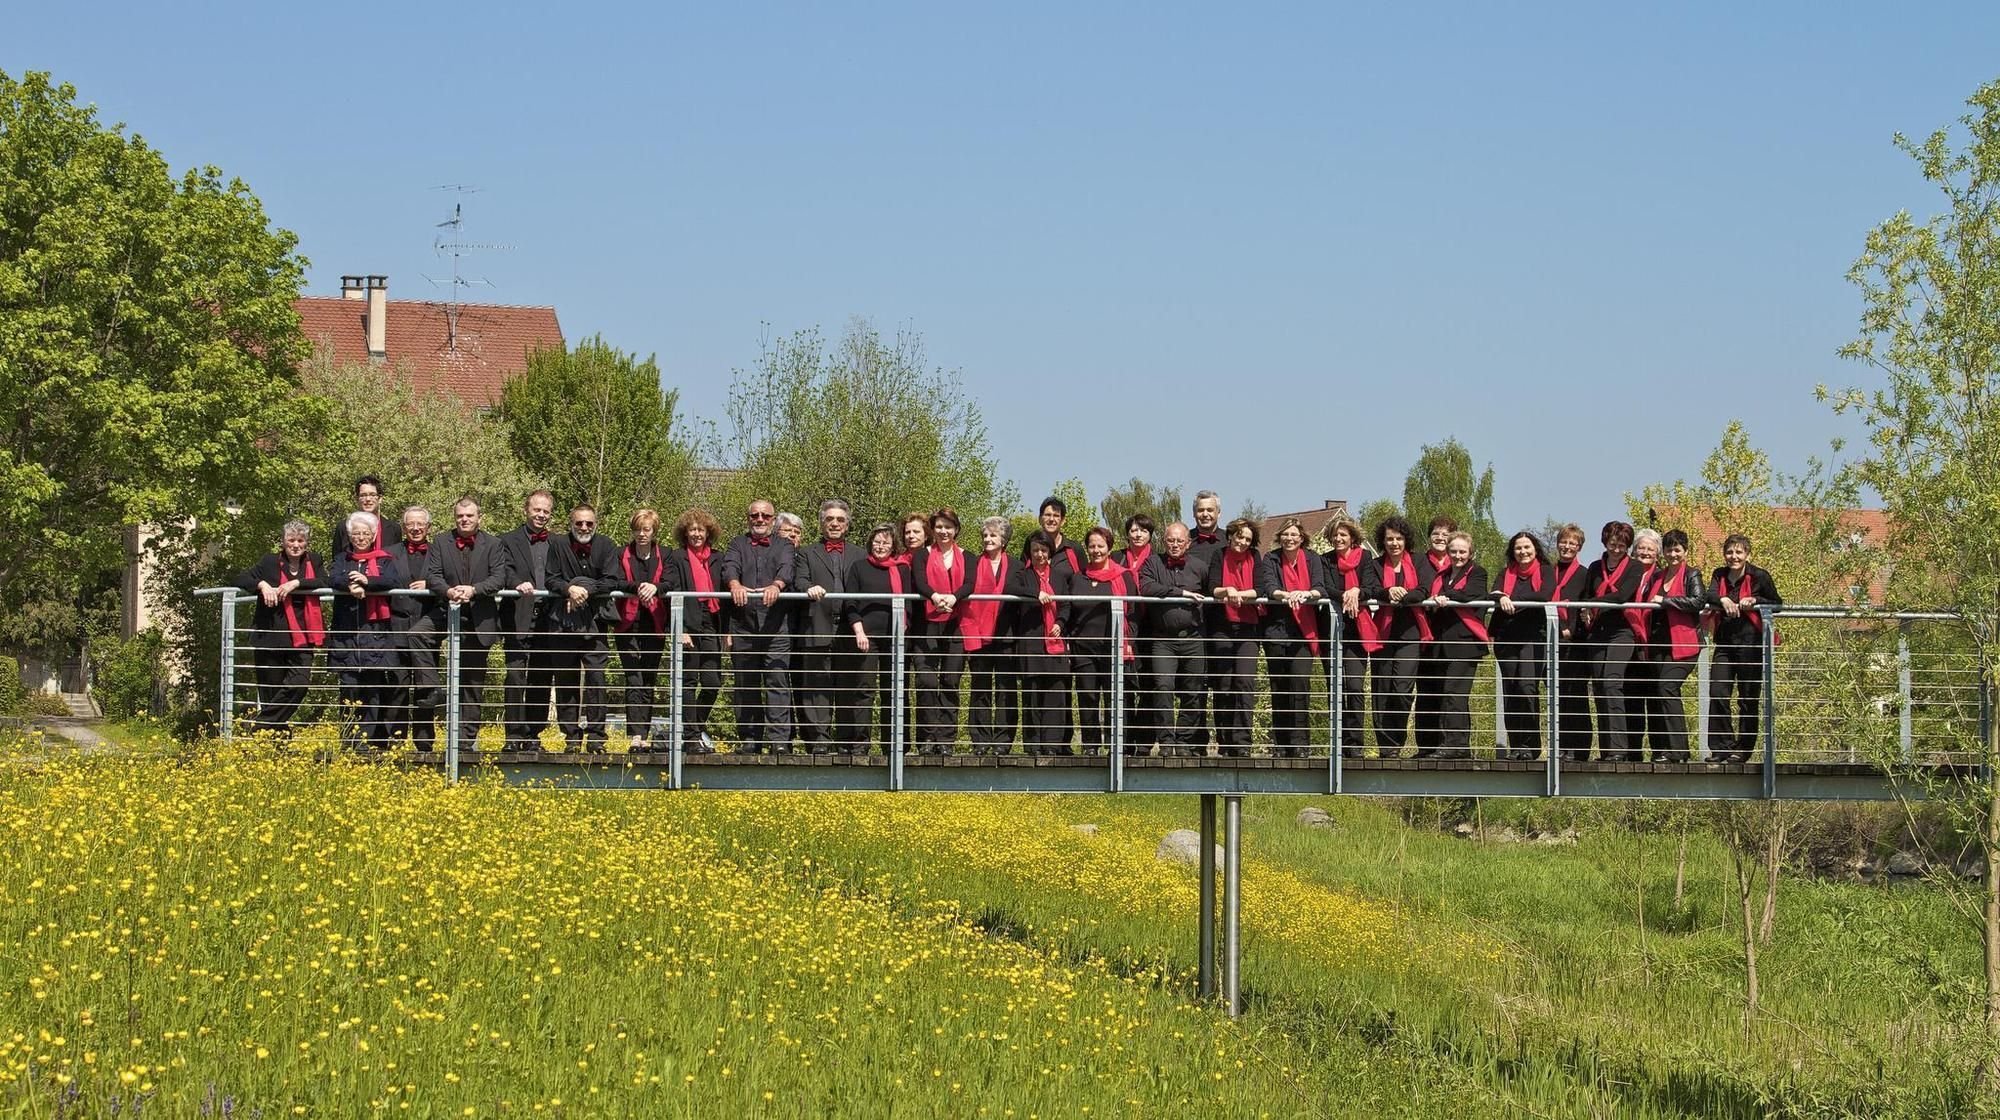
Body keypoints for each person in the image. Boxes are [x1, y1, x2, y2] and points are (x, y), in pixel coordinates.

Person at [424, 498, 509, 753]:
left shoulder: (493, 544)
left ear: (479, 517)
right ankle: (433, 692)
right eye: (460, 515)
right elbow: (432, 575)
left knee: (472, 683)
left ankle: (464, 741)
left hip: (478, 619)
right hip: (445, 613)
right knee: (419, 637)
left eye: (469, 515)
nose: (464, 519)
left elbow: (499, 578)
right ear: (455, 517)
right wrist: (449, 591)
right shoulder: (440, 542)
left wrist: (473, 590)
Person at [235, 520, 328, 731]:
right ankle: (276, 743)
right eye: (291, 540)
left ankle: (260, 726)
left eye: (300, 541)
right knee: (272, 692)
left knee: (299, 684)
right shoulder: (269, 562)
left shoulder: (314, 560)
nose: (295, 545)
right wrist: (262, 584)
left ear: (307, 543)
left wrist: (297, 583)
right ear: (283, 542)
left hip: (304, 636)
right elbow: (240, 577)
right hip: (270, 634)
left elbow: (325, 581)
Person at [720, 499, 797, 753]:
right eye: (755, 515)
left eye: (765, 515)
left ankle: (779, 742)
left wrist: (777, 585)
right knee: (745, 683)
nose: (760, 519)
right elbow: (729, 566)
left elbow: (788, 568)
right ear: (748, 518)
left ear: (773, 520)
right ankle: (750, 739)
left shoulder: (784, 544)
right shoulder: (737, 543)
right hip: (743, 624)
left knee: (777, 682)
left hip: (776, 626)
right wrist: (734, 585)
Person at [543, 504, 620, 749]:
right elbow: (551, 578)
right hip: (562, 624)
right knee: (566, 681)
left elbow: (610, 580)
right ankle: (571, 737)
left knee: (597, 679)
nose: (584, 527)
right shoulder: (557, 545)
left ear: (595, 524)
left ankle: (597, 736)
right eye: (579, 523)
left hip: (594, 623)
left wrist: (583, 589)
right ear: (571, 523)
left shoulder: (607, 546)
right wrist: (568, 589)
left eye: (589, 523)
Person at [329, 511, 408, 749]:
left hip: (375, 634)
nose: (361, 538)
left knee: (372, 689)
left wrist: (365, 581)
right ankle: (347, 740)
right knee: (349, 687)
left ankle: (366, 739)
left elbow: (391, 581)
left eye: (365, 533)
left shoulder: (384, 559)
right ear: (350, 536)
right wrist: (350, 585)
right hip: (347, 635)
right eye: (356, 534)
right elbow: (333, 578)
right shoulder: (343, 558)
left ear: (374, 535)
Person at [1637, 528, 1713, 762]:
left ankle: (1680, 750)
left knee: (1667, 687)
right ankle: (1664, 750)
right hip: (1659, 644)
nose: (1672, 553)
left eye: (1677, 549)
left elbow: (1699, 600)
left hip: (1684, 643)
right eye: (1669, 549)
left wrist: (1666, 601)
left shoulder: (1692, 574)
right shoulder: (1657, 577)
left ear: (1685, 551)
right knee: (1660, 692)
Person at [1256, 517, 1327, 758]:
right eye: (1286, 534)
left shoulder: (1312, 558)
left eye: (1294, 535)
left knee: (1299, 686)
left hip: (1303, 632)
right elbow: (1269, 586)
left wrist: (1305, 593)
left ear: (1302, 537)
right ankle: (1280, 742)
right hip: (1277, 630)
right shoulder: (1271, 558)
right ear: (1280, 537)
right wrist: (1284, 595)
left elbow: (1321, 587)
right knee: (1279, 688)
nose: (1290, 538)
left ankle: (1300, 743)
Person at [1710, 533, 1782, 764]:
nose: (1734, 556)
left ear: (1747, 554)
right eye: (1730, 552)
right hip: (1724, 643)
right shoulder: (1719, 574)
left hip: (1750, 644)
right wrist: (1723, 600)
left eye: (1739, 552)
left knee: (1748, 698)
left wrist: (1755, 601)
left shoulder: (1759, 576)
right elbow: (1708, 594)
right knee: (1718, 692)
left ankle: (1742, 749)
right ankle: (1722, 746)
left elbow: (1778, 603)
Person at [1140, 522, 1211, 756]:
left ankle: (1184, 740)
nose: (1175, 545)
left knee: (1193, 691)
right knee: (1163, 688)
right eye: (1171, 540)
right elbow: (1147, 587)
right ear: (1164, 541)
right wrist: (1181, 593)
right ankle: (1166, 742)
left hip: (1193, 638)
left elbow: (1213, 593)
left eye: (1180, 540)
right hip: (1163, 640)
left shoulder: (1200, 567)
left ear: (1188, 543)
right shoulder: (1152, 563)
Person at [1360, 516, 1429, 754]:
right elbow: (1369, 589)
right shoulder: (1375, 565)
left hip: (1410, 634)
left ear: (1406, 540)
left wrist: (1403, 595)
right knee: (1381, 690)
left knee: (1401, 690)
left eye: (1399, 538)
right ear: (1383, 541)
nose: (1394, 543)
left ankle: (1397, 738)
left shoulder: (1419, 562)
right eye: (1389, 539)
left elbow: (1424, 590)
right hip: (1383, 633)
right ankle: (1386, 748)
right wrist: (1388, 591)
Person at [797, 499, 860, 754]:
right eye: (829, 519)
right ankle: (820, 741)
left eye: (840, 520)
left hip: (849, 626)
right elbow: (799, 580)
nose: (834, 524)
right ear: (821, 523)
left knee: (847, 685)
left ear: (847, 525)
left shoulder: (860, 553)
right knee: (816, 686)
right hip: (817, 623)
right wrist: (807, 587)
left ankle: (845, 740)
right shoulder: (807, 553)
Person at [1068, 526, 1139, 754]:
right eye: (1092, 546)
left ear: (1109, 547)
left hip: (1114, 646)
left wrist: (1130, 640)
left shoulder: (1123, 576)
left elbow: (1134, 613)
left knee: (1114, 696)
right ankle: (1090, 744)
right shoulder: (1077, 578)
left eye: (1100, 546)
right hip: (1083, 647)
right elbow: (1069, 609)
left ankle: (1116, 743)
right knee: (1087, 696)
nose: (1096, 550)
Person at [498, 490, 559, 751]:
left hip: (549, 619)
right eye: (537, 509)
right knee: (514, 675)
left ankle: (533, 735)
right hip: (517, 616)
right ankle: (513, 736)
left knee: (541, 678)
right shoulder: (507, 540)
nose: (541, 515)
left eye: (545, 511)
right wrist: (515, 583)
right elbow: (503, 569)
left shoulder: (558, 542)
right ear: (526, 509)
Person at [910, 507, 975, 755]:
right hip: (927, 623)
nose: (943, 531)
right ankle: (926, 738)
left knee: (950, 681)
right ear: (932, 530)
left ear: (956, 529)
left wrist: (953, 598)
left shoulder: (967, 556)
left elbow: (969, 583)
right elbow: (920, 581)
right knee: (926, 682)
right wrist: (936, 596)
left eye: (948, 527)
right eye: (939, 527)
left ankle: (946, 739)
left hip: (955, 624)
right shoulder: (922, 555)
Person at [608, 509, 674, 749]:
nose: (641, 534)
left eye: (646, 529)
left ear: (654, 531)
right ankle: (635, 734)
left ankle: (643, 734)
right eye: (638, 529)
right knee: (633, 676)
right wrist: (638, 586)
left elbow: (671, 581)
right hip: (627, 622)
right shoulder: (621, 553)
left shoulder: (665, 554)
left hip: (654, 623)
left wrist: (655, 587)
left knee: (648, 677)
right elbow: (615, 580)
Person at [1582, 521, 1647, 761]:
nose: (1617, 549)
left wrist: (1594, 603)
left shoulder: (1634, 567)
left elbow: (1623, 595)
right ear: (1605, 542)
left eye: (1621, 545)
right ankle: (1607, 749)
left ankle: (1620, 749)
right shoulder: (1595, 567)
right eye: (1613, 544)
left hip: (1623, 630)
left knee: (1612, 683)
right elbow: (1587, 595)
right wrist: (1587, 607)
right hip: (1598, 630)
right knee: (1599, 687)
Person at [1422, 531, 1489, 758]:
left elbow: (1471, 594)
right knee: (1445, 693)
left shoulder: (1477, 572)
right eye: (1454, 551)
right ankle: (1454, 744)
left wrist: (1446, 596)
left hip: (1465, 643)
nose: (1458, 555)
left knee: (1455, 693)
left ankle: (1454, 745)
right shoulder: (1443, 574)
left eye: (1462, 551)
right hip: (1443, 643)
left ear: (1470, 553)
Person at [845, 524, 910, 754]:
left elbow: (908, 605)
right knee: (865, 689)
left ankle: (893, 744)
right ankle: (861, 742)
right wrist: (859, 631)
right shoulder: (858, 567)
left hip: (895, 636)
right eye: (877, 542)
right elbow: (850, 602)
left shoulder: (902, 569)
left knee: (893, 690)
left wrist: (903, 633)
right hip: (867, 636)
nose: (880, 546)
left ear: (893, 547)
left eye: (886, 543)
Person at [1490, 531, 1553, 760]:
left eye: (1527, 547)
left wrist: (1511, 600)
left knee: (1527, 687)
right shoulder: (1505, 573)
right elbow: (1494, 592)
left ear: (1535, 549)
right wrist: (1501, 597)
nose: (1523, 552)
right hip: (1506, 637)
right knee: (1511, 690)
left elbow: (1544, 595)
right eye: (1518, 548)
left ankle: (1531, 745)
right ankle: (1516, 744)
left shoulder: (1546, 571)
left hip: (1532, 637)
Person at [961, 517, 1022, 753]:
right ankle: (980, 740)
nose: (988, 539)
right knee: (980, 688)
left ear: (1004, 540)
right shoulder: (974, 564)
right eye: (985, 536)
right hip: (978, 634)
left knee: (1006, 689)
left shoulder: (1016, 566)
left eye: (993, 536)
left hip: (1006, 635)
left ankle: (1003, 741)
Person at [670, 508, 729, 753]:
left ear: (708, 533)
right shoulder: (677, 557)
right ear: (685, 533)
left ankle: (694, 726)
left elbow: (726, 596)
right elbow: (672, 591)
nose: (696, 534)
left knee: (713, 681)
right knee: (689, 680)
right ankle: (692, 736)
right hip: (688, 621)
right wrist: (680, 628)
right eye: (692, 529)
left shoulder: (718, 557)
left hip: (712, 621)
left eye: (700, 530)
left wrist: (727, 631)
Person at [1321, 517, 1380, 753]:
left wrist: (1358, 590)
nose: (1338, 539)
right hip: (1332, 630)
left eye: (1343, 535)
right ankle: (1337, 742)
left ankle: (1355, 743)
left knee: (1354, 686)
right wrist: (1347, 594)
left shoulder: (1365, 559)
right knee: (1334, 687)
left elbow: (1371, 587)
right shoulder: (1325, 560)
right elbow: (1325, 587)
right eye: (1335, 535)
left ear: (1352, 537)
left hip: (1358, 630)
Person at [1207, 518, 1264, 758]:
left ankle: (1242, 741)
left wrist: (1240, 593)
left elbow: (1261, 589)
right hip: (1222, 626)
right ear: (1230, 535)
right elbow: (1213, 587)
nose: (1242, 542)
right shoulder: (1219, 555)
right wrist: (1227, 590)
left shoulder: (1255, 558)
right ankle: (1224, 739)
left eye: (1247, 539)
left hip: (1248, 626)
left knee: (1244, 682)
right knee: (1223, 683)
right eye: (1239, 536)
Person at [1014, 532, 1075, 754]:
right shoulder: (1022, 574)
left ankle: (1053, 745)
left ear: (1050, 552)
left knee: (1055, 697)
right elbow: (1012, 589)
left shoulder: (1059, 577)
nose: (1040, 554)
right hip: (1031, 643)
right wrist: (1036, 593)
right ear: (1029, 553)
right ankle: (1033, 746)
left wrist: (1060, 622)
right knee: (1032, 696)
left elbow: (1067, 604)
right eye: (1035, 550)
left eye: (1043, 550)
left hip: (1055, 641)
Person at [390, 506, 445, 750]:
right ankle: (395, 740)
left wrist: (431, 584)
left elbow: (450, 580)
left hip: (426, 627)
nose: (415, 528)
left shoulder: (439, 553)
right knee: (398, 685)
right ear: (403, 527)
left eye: (420, 524)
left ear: (428, 527)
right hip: (396, 626)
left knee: (426, 685)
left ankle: (424, 743)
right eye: (410, 524)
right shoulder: (389, 554)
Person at [1412, 516, 1459, 751]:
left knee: (1450, 692)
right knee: (1426, 693)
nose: (1440, 538)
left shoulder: (1460, 561)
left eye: (1446, 534)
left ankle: (1449, 745)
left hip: (1450, 635)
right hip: (1424, 634)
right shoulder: (1419, 561)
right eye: (1436, 534)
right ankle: (1426, 747)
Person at [1547, 524, 1594, 758]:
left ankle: (1579, 748)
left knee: (1575, 695)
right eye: (1564, 542)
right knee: (1556, 696)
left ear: (1579, 547)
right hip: (1551, 641)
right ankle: (1561, 747)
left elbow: (1586, 607)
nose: (1567, 547)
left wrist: (1570, 629)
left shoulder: (1585, 574)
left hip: (1574, 643)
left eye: (1572, 543)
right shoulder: (1548, 571)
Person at [1114, 514, 1159, 754]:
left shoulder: (1157, 560)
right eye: (1133, 530)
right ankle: (1124, 740)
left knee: (1150, 684)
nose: (1138, 534)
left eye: (1143, 530)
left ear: (1150, 534)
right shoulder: (1116, 558)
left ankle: (1143, 741)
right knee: (1125, 684)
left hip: (1152, 627)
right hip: (1124, 626)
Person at [330, 474, 402, 556]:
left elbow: (397, 560)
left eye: (372, 495)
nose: (368, 499)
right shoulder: (344, 527)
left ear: (380, 499)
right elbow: (337, 560)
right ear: (357, 499)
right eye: (363, 495)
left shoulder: (393, 529)